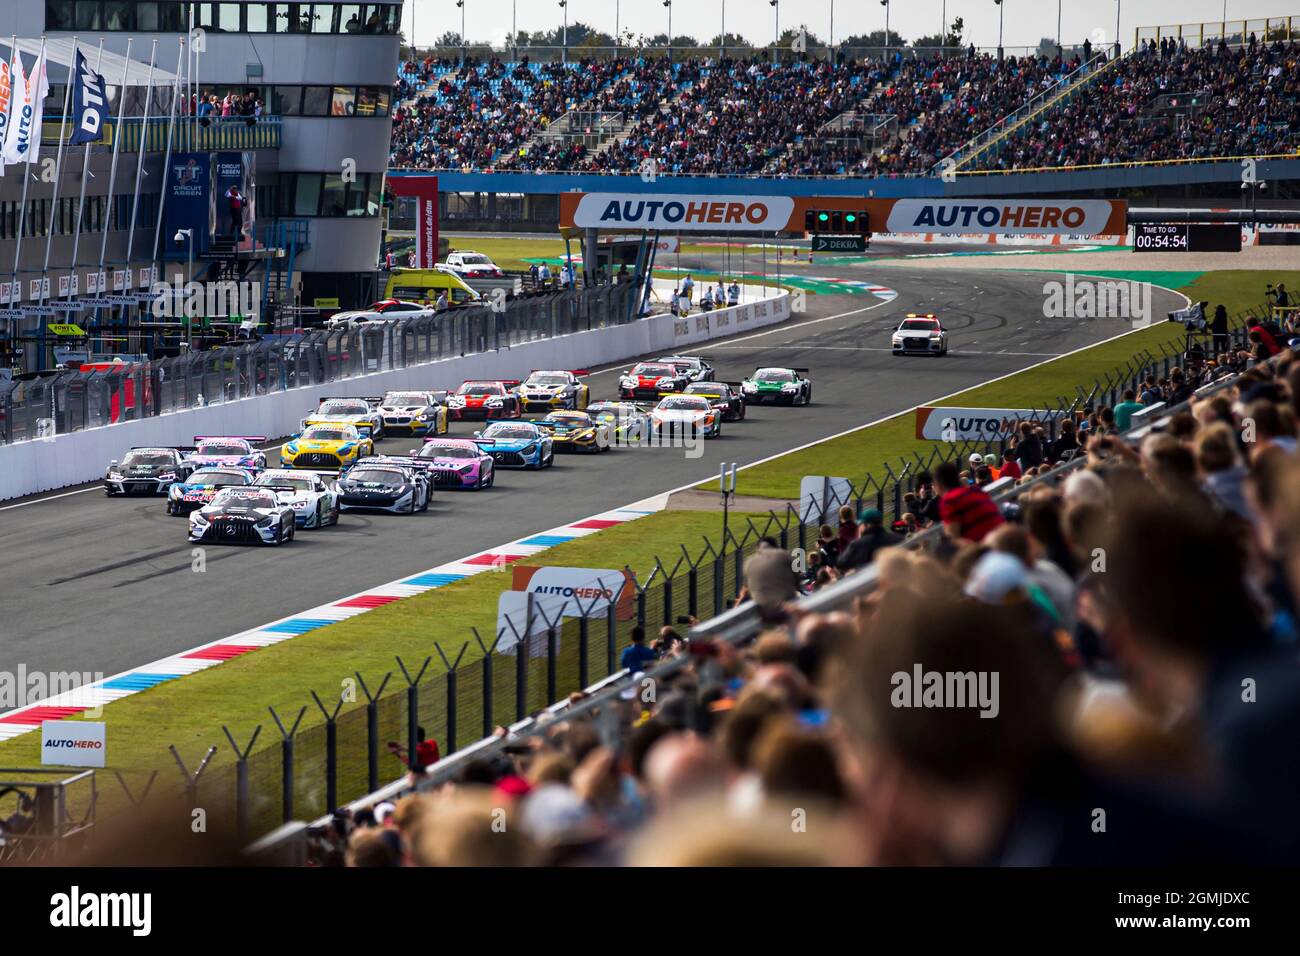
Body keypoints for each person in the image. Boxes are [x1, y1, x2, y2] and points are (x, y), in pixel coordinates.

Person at [934, 460, 1004, 542]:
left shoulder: (950, 500)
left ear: (939, 484)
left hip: (988, 544)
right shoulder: (975, 491)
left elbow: (953, 538)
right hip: (1001, 534)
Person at [836, 509, 903, 572]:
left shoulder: (858, 544)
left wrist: (859, 537)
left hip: (869, 581)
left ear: (866, 525)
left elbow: (841, 564)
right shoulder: (898, 539)